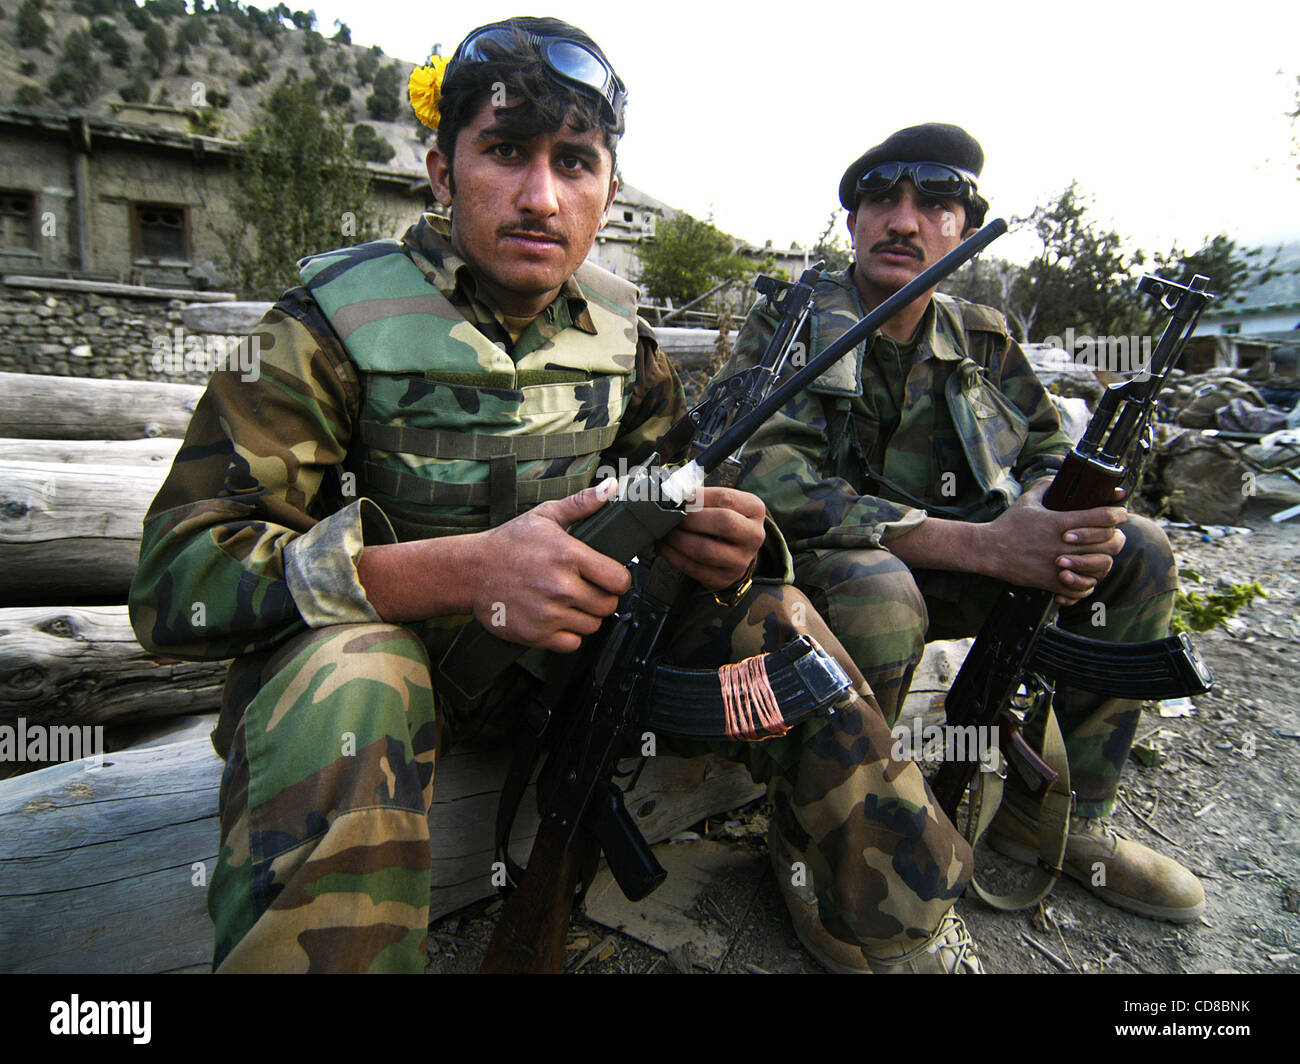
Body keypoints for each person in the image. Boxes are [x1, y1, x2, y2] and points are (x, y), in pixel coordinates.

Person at [129, 22, 982, 975]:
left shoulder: (623, 341)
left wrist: (732, 545)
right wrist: (462, 571)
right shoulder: (326, 329)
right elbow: (178, 581)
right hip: (389, 695)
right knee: (358, 673)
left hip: (572, 669)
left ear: (608, 193)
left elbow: (679, 489)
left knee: (779, 618)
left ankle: (893, 919)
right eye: (504, 152)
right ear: (442, 171)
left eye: (574, 162)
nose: (541, 197)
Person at [716, 122, 1205, 925]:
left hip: (972, 571)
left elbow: (1049, 445)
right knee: (881, 590)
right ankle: (823, 849)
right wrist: (988, 546)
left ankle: (1060, 823)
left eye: (935, 203)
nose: (903, 221)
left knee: (1138, 550)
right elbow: (769, 479)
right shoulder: (794, 323)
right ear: (854, 223)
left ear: (967, 232)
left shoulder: (982, 335)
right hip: (830, 581)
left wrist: (1046, 514)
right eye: (881, 200)